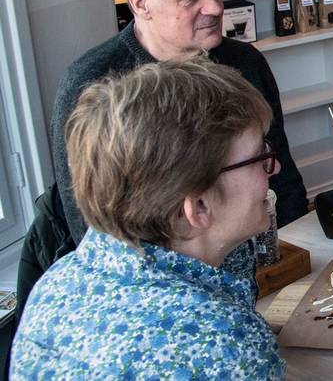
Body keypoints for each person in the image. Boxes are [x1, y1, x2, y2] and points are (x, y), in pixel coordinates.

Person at [11, 61, 286, 379]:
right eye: (261, 157)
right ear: (197, 206)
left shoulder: (57, 284)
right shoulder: (221, 342)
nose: (275, 168)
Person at [48, 0, 308, 256]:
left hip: (256, 259)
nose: (215, 7)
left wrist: (297, 252)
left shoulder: (245, 62)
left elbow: (280, 171)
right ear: (140, 2)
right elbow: (90, 224)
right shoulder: (92, 83)